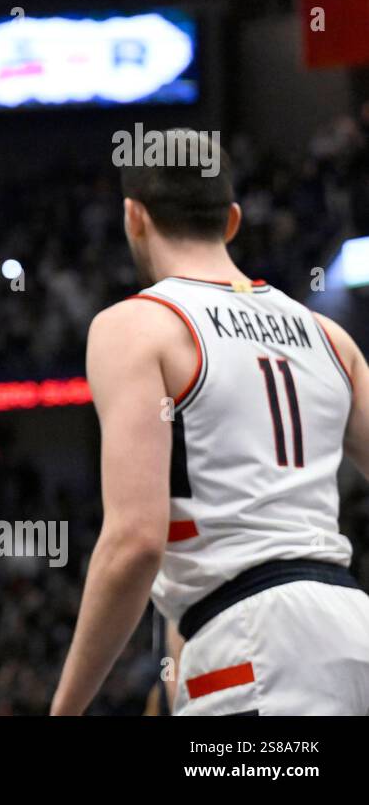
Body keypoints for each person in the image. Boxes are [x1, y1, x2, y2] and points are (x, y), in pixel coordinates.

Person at [52, 133, 369, 715]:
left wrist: (65, 709)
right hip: (353, 629)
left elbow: (135, 542)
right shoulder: (331, 337)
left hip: (251, 645)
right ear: (231, 220)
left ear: (134, 217)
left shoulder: (137, 326)